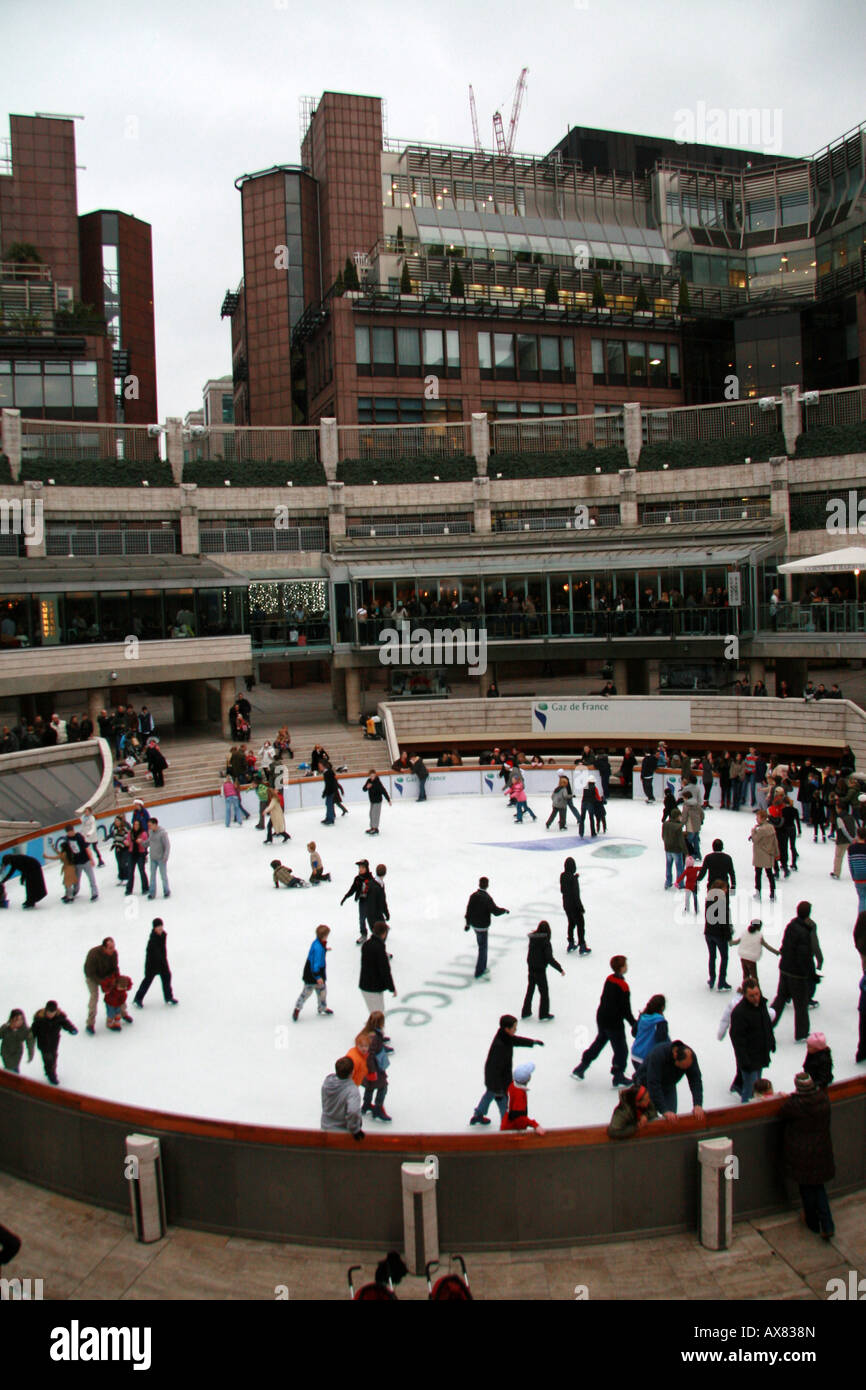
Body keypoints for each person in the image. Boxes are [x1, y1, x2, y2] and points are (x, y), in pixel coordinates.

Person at [778, 1073, 835, 1238]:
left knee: (807, 1188)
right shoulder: (823, 1099)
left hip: (802, 1154)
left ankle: (812, 1223)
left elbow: (782, 1112)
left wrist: (789, 1098)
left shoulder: (796, 1105)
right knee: (819, 1187)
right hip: (821, 1151)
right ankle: (827, 1224)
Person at [572, 955, 636, 1088]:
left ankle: (581, 1067)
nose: (627, 967)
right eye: (625, 965)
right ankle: (618, 1076)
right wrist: (633, 1023)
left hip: (602, 1017)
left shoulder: (609, 979)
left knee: (599, 1042)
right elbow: (625, 1009)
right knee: (621, 1050)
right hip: (614, 1022)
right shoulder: (623, 986)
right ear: (621, 968)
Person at [469, 1015, 544, 1126]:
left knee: (489, 1094)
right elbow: (495, 1070)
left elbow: (515, 1040)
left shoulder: (504, 1036)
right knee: (504, 1108)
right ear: (507, 1029)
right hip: (498, 1082)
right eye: (514, 1028)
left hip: (495, 1081)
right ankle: (506, 1129)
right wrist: (499, 1090)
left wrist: (532, 1042)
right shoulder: (500, 1046)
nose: (516, 1030)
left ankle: (478, 1115)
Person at [771, 902, 823, 1043]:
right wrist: (812, 975)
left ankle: (767, 1023)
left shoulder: (791, 925)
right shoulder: (805, 932)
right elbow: (805, 957)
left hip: (784, 968)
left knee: (780, 998)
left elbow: (784, 945)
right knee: (801, 1004)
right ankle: (801, 1033)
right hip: (797, 974)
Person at [729, 981, 775, 1102]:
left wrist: (771, 1041)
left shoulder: (761, 1005)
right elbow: (737, 1040)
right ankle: (746, 1109)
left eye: (757, 994)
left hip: (760, 1054)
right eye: (752, 995)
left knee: (757, 1087)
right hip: (749, 1058)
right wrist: (744, 1060)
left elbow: (767, 1025)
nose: (756, 998)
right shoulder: (739, 1013)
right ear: (745, 995)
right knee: (750, 1090)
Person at [639, 1040, 705, 1121]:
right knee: (646, 1117)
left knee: (671, 1117)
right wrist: (664, 1110)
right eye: (682, 1067)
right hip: (645, 1083)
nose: (685, 1070)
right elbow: (653, 1084)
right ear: (675, 1056)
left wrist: (698, 1104)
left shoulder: (690, 1057)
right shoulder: (658, 1055)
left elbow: (695, 1080)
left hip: (668, 1084)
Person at [464, 876, 509, 979]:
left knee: (481, 946)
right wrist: (504, 911)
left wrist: (468, 923)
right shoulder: (487, 898)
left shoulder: (473, 896)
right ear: (487, 885)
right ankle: (480, 971)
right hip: (483, 927)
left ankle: (481, 968)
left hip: (475, 925)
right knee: (483, 948)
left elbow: (469, 910)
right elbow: (495, 911)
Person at [521, 920, 564, 1022]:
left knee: (530, 990)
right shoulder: (546, 942)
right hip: (540, 970)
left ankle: (525, 1011)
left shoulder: (533, 939)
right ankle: (543, 1014)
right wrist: (559, 968)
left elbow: (530, 954)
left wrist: (530, 965)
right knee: (544, 993)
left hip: (531, 968)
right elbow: (549, 958)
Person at [31, 1000, 78, 1084]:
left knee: (54, 1057)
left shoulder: (59, 1018)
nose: (51, 1014)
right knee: (48, 1059)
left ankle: (52, 1070)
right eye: (49, 1012)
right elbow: (33, 1032)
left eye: (53, 1012)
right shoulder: (39, 1020)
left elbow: (66, 1024)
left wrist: (72, 1029)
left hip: (54, 1043)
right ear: (46, 1010)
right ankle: (51, 1074)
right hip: (43, 1044)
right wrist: (30, 1040)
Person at [133, 919, 178, 1008]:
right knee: (147, 981)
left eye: (161, 926)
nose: (160, 928)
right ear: (154, 928)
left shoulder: (163, 935)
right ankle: (138, 999)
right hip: (152, 964)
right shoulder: (152, 939)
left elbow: (163, 949)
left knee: (167, 977)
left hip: (162, 962)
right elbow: (154, 952)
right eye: (158, 926)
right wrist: (160, 959)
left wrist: (164, 960)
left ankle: (168, 997)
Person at [293, 925, 334, 1021]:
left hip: (316, 973)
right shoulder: (318, 948)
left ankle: (322, 1007)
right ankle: (297, 1008)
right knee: (307, 992)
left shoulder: (318, 944)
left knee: (322, 991)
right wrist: (318, 977)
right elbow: (315, 964)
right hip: (313, 975)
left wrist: (325, 950)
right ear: (324, 936)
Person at [359, 920, 396, 1016]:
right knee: (377, 1016)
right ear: (384, 934)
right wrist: (391, 987)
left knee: (377, 1014)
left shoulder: (367, 944)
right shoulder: (379, 948)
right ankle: (374, 1030)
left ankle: (374, 1030)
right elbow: (385, 970)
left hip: (366, 984)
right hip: (373, 988)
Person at [359, 1011, 391, 1123]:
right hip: (374, 1068)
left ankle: (366, 1104)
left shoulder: (369, 1032)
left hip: (370, 1067)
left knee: (370, 1086)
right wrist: (372, 1071)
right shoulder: (374, 1037)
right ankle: (378, 1108)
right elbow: (370, 1055)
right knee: (383, 1086)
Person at [321, 1057, 364, 1138]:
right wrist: (355, 1130)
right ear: (352, 1072)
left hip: (325, 1127)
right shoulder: (352, 1091)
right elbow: (353, 1111)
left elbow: (324, 1102)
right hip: (342, 1133)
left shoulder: (327, 1082)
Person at [83, 937, 119, 1035]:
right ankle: (90, 1023)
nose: (113, 950)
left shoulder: (114, 954)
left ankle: (122, 1014)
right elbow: (90, 972)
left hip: (106, 976)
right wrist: (104, 984)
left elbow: (115, 968)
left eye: (114, 947)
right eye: (110, 948)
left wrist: (116, 980)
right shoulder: (93, 954)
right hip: (92, 978)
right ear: (104, 948)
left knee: (117, 992)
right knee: (94, 997)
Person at [731, 918, 780, 986]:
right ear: (759, 927)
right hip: (751, 959)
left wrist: (730, 942)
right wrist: (776, 952)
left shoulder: (744, 932)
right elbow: (766, 945)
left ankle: (745, 990)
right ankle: (758, 993)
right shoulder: (759, 935)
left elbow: (737, 942)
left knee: (746, 975)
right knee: (754, 977)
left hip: (743, 957)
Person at [500, 1062, 545, 1135]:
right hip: (512, 1130)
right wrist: (535, 1125)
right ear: (528, 1079)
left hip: (507, 1124)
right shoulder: (519, 1095)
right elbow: (519, 1118)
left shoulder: (512, 1085)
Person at [704, 878, 733, 991]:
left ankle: (712, 979)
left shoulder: (709, 900)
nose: (726, 891)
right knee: (724, 957)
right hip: (719, 935)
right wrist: (729, 936)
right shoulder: (722, 902)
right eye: (725, 888)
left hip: (709, 933)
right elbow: (724, 922)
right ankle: (721, 981)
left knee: (712, 956)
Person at [631, 994, 669, 1073]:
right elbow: (661, 1041)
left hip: (635, 1056)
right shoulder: (660, 1021)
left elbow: (634, 1033)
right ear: (662, 1007)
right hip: (648, 1058)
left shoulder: (642, 1017)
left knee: (642, 1081)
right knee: (651, 1083)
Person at [560, 857, 589, 955]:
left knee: (571, 923)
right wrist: (581, 907)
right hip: (574, 906)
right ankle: (582, 945)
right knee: (580, 924)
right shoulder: (573, 879)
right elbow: (576, 895)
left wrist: (574, 878)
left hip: (566, 905)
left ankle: (571, 943)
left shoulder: (562, 876)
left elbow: (563, 889)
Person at [342, 859, 375, 944]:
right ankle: (363, 934)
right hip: (362, 901)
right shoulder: (357, 879)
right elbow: (352, 889)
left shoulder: (371, 880)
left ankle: (379, 932)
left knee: (372, 919)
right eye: (359, 867)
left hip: (370, 902)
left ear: (367, 868)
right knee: (362, 919)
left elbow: (376, 892)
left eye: (362, 867)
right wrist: (346, 897)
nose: (360, 869)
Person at [0, 1009, 35, 1073]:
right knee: (8, 1067)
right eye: (17, 1020)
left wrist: (30, 1054)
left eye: (21, 1019)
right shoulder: (5, 1028)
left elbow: (30, 1043)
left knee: (14, 1067)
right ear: (11, 1019)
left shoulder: (25, 1030)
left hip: (17, 1052)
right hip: (5, 1052)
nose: (19, 1022)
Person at [662, 808, 687, 889]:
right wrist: (686, 852)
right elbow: (681, 841)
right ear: (677, 816)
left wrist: (666, 843)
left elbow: (663, 836)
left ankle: (668, 882)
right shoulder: (678, 827)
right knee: (679, 867)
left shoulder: (665, 824)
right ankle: (680, 883)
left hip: (667, 848)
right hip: (676, 850)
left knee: (668, 866)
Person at [146, 818, 170, 899]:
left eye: (150, 825)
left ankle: (166, 891)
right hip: (153, 858)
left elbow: (167, 846)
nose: (149, 827)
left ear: (155, 824)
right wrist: (142, 843)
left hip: (161, 858)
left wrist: (165, 857)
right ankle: (152, 893)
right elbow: (149, 842)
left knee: (163, 876)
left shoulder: (162, 833)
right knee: (152, 876)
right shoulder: (150, 832)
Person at [126, 814, 150, 896]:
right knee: (130, 872)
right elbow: (128, 841)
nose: (136, 826)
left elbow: (146, 844)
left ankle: (145, 888)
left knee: (142, 871)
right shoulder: (130, 833)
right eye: (135, 824)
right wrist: (127, 843)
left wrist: (141, 842)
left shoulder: (143, 833)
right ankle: (129, 889)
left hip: (140, 853)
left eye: (137, 825)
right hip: (132, 853)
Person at [362, 769, 391, 836]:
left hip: (378, 801)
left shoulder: (377, 782)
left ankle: (375, 828)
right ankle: (372, 827)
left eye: (373, 776)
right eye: (371, 776)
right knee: (371, 814)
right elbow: (364, 789)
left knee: (375, 814)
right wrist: (367, 787)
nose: (372, 777)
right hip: (372, 801)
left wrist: (388, 799)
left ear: (375, 775)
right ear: (369, 776)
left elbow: (383, 791)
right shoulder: (368, 781)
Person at [848, 826, 866, 913]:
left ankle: (861, 919)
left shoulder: (851, 848)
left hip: (858, 877)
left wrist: (853, 876)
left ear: (857, 835)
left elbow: (850, 864)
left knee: (862, 898)